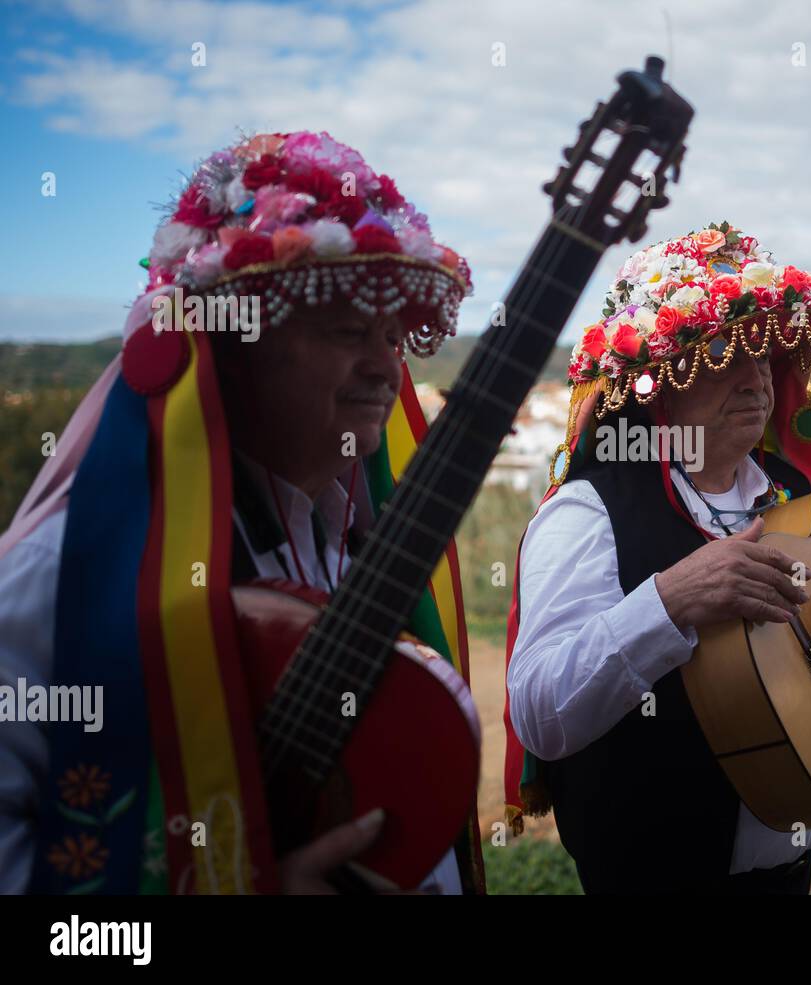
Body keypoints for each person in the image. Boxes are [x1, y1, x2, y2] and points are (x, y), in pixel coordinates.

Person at [0, 130, 483, 894]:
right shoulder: (67, 573)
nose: (387, 368)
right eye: (348, 330)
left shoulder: (357, 537)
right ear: (232, 343)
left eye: (392, 336)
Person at [503, 223, 811, 893]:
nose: (756, 377)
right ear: (655, 382)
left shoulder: (799, 493)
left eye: (765, 353)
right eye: (721, 351)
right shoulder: (589, 512)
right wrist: (669, 601)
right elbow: (539, 709)